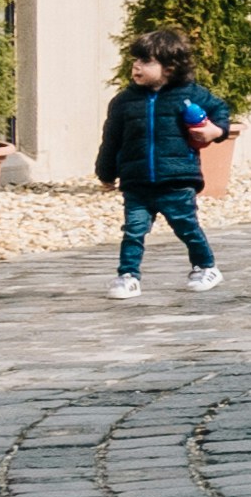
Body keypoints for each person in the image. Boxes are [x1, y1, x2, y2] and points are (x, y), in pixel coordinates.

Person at [93, 31, 234, 298]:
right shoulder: (124, 102)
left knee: (186, 226)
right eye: (135, 60)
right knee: (133, 231)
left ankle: (206, 267)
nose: (136, 66)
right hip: (137, 181)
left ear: (169, 67)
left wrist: (215, 131)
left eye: (145, 61)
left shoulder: (190, 95)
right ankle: (127, 276)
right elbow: (111, 139)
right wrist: (106, 172)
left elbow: (220, 111)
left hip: (177, 179)